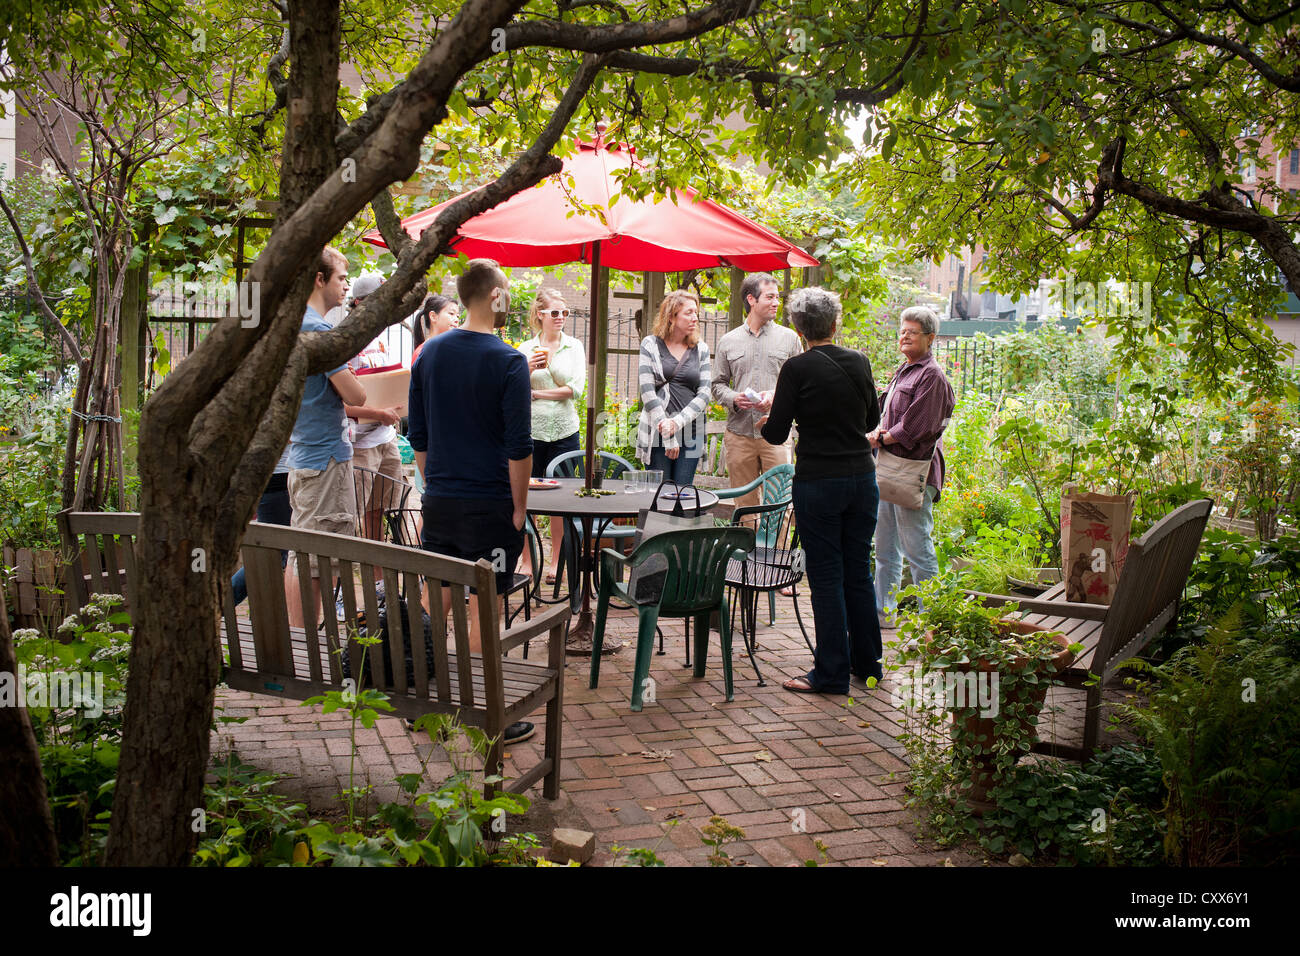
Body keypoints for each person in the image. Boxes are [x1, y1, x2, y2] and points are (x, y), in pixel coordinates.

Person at [407, 258, 534, 745]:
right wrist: (518, 508)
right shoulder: (509, 361)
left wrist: (434, 481)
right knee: (485, 601)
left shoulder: (429, 354)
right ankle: (483, 712)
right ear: (496, 296)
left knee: (435, 598)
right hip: (490, 504)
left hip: (440, 498)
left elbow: (417, 432)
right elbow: (517, 445)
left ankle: (425, 705)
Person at [758, 287, 883, 695]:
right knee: (858, 572)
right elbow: (872, 419)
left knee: (826, 577)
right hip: (863, 480)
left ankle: (830, 673)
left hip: (819, 483)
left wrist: (766, 417)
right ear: (834, 324)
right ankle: (868, 665)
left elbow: (776, 433)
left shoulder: (796, 369)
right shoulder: (860, 361)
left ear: (798, 327)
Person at [284, 246, 368, 629]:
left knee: (305, 554)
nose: (346, 285)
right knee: (315, 559)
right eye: (340, 277)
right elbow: (356, 395)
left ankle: (305, 645)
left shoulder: (291, 323)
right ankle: (306, 650)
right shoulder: (316, 330)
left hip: (307, 455)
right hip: (324, 460)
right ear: (320, 280)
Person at [868, 305, 956, 622]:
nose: (904, 335)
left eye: (912, 331)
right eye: (902, 330)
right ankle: (883, 612)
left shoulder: (932, 376)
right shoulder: (905, 370)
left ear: (930, 338)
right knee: (886, 548)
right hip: (890, 470)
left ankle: (932, 619)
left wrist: (879, 438)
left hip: (914, 473)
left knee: (918, 549)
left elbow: (917, 428)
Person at [711, 272, 800, 507]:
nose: (776, 302)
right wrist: (734, 398)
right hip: (739, 435)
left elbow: (801, 385)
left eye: (777, 297)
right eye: (770, 297)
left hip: (777, 435)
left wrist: (774, 397)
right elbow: (717, 384)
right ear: (751, 299)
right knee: (745, 504)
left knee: (779, 503)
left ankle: (774, 546)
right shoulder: (728, 341)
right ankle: (750, 545)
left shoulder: (790, 339)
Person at [517, 289, 585, 584]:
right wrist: (527, 368)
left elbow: (575, 390)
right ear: (540, 315)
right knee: (525, 496)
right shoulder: (524, 348)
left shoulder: (574, 347)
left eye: (565, 313)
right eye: (555, 313)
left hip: (565, 430)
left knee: (560, 500)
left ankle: (557, 561)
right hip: (531, 431)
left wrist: (540, 387)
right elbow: (514, 387)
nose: (560, 318)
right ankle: (527, 560)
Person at [336, 271, 404, 547]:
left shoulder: (379, 337)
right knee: (351, 514)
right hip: (359, 443)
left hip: (385, 437)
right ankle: (344, 583)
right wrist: (378, 414)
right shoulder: (345, 339)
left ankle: (377, 578)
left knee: (381, 510)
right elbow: (339, 403)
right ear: (360, 303)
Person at [636, 289, 712, 486]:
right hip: (657, 431)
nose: (695, 318)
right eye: (689, 313)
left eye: (696, 312)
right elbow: (647, 390)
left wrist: (676, 423)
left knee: (682, 495)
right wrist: (667, 430)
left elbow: (704, 394)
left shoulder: (701, 348)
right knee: (659, 496)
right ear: (671, 316)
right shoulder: (650, 345)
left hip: (691, 432)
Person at [230, 444, 292, 606]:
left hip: (272, 477)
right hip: (277, 480)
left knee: (273, 556)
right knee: (270, 556)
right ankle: (219, 606)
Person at [411, 292, 460, 363]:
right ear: (433, 316)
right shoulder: (422, 353)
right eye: (451, 313)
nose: (456, 320)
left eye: (458, 316)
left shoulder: (454, 349)